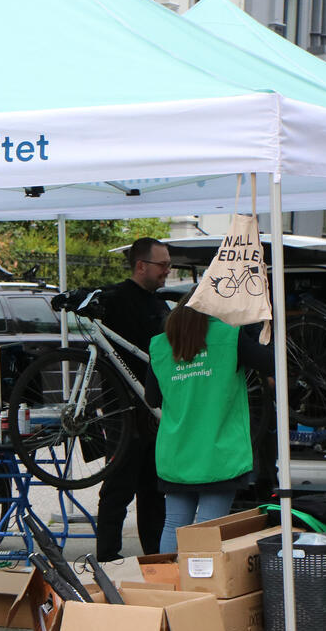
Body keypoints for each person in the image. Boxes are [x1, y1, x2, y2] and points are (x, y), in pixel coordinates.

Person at [149, 290, 273, 553]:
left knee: (173, 525)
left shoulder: (161, 345)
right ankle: (201, 589)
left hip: (177, 453)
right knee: (208, 528)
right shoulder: (229, 337)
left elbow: (153, 398)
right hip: (219, 454)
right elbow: (271, 364)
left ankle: (173, 587)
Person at [94, 236, 171, 559]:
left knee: (154, 492)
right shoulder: (114, 298)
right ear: (141, 266)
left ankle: (156, 560)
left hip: (154, 411)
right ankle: (107, 560)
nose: (168, 271)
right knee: (119, 488)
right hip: (122, 410)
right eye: (163, 265)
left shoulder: (160, 305)